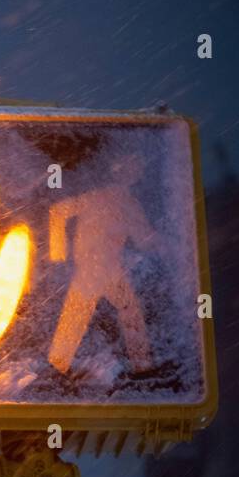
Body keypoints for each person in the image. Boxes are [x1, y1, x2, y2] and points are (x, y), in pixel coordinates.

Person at [47, 154, 159, 376]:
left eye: (136, 171)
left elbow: (144, 238)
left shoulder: (125, 203)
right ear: (120, 173)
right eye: (130, 170)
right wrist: (58, 252)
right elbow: (58, 211)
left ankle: (142, 365)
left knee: (122, 312)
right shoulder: (102, 198)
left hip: (107, 268)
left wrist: (166, 246)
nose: (134, 174)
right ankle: (142, 366)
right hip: (95, 267)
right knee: (83, 314)